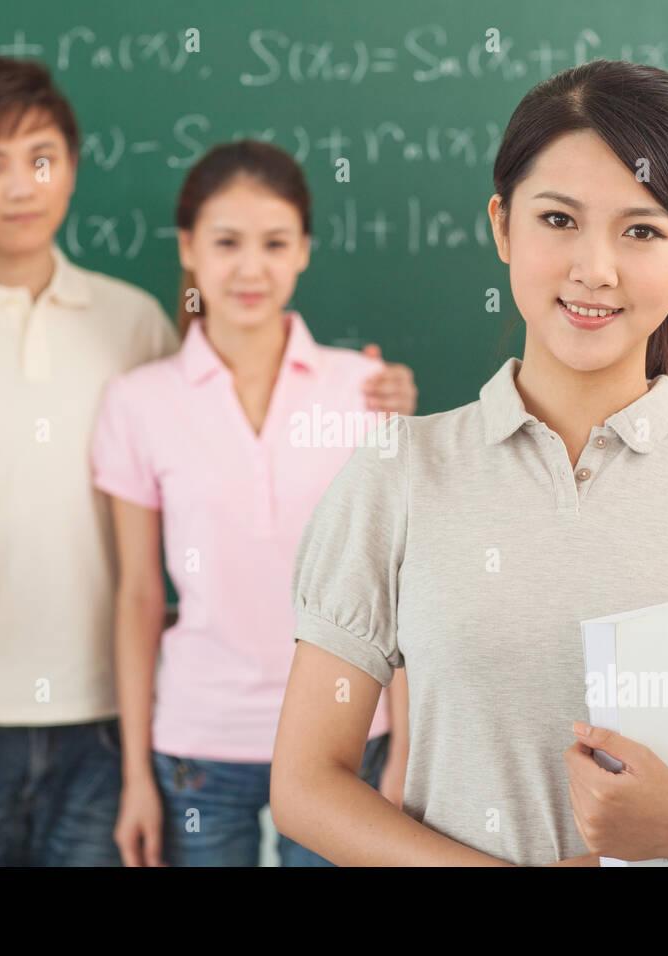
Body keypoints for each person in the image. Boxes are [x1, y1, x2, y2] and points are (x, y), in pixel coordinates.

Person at [270, 59, 668, 866]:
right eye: (558, 220)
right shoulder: (398, 474)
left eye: (641, 230)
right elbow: (304, 783)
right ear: (502, 224)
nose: (594, 268)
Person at [0, 57, 416, 866]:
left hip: (117, 723)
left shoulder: (131, 323)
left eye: (42, 159)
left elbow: (387, 574)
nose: (22, 186)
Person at [93, 140, 413, 867]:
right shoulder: (139, 402)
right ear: (189, 249)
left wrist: (406, 753)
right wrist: (135, 775)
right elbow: (140, 594)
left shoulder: (361, 390)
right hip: (200, 743)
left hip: (346, 737)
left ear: (303, 250)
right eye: (226, 242)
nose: (249, 268)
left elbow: (396, 588)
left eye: (274, 243)